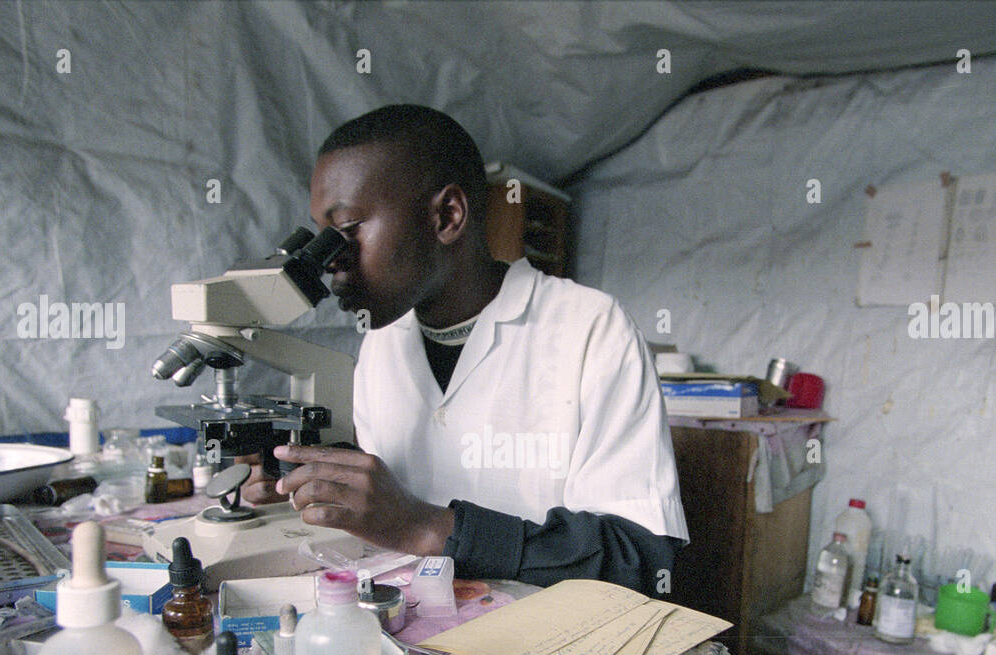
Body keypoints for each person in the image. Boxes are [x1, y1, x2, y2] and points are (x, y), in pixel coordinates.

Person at [244, 105, 686, 595]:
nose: (332, 262)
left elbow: (645, 561)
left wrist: (430, 527)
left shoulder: (590, 328)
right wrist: (320, 488)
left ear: (447, 216)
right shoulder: (381, 343)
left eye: (347, 229)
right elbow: (384, 513)